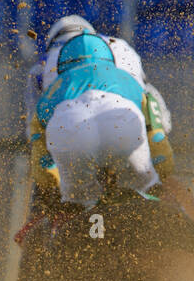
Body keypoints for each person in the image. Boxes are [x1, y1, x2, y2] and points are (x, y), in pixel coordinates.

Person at [30, 31, 174, 210]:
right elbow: (158, 142)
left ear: (61, 65)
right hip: (122, 125)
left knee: (75, 207)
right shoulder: (129, 81)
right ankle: (166, 225)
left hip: (70, 129)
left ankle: (68, 225)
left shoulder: (51, 91)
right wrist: (159, 175)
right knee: (146, 190)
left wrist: (55, 187)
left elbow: (43, 169)